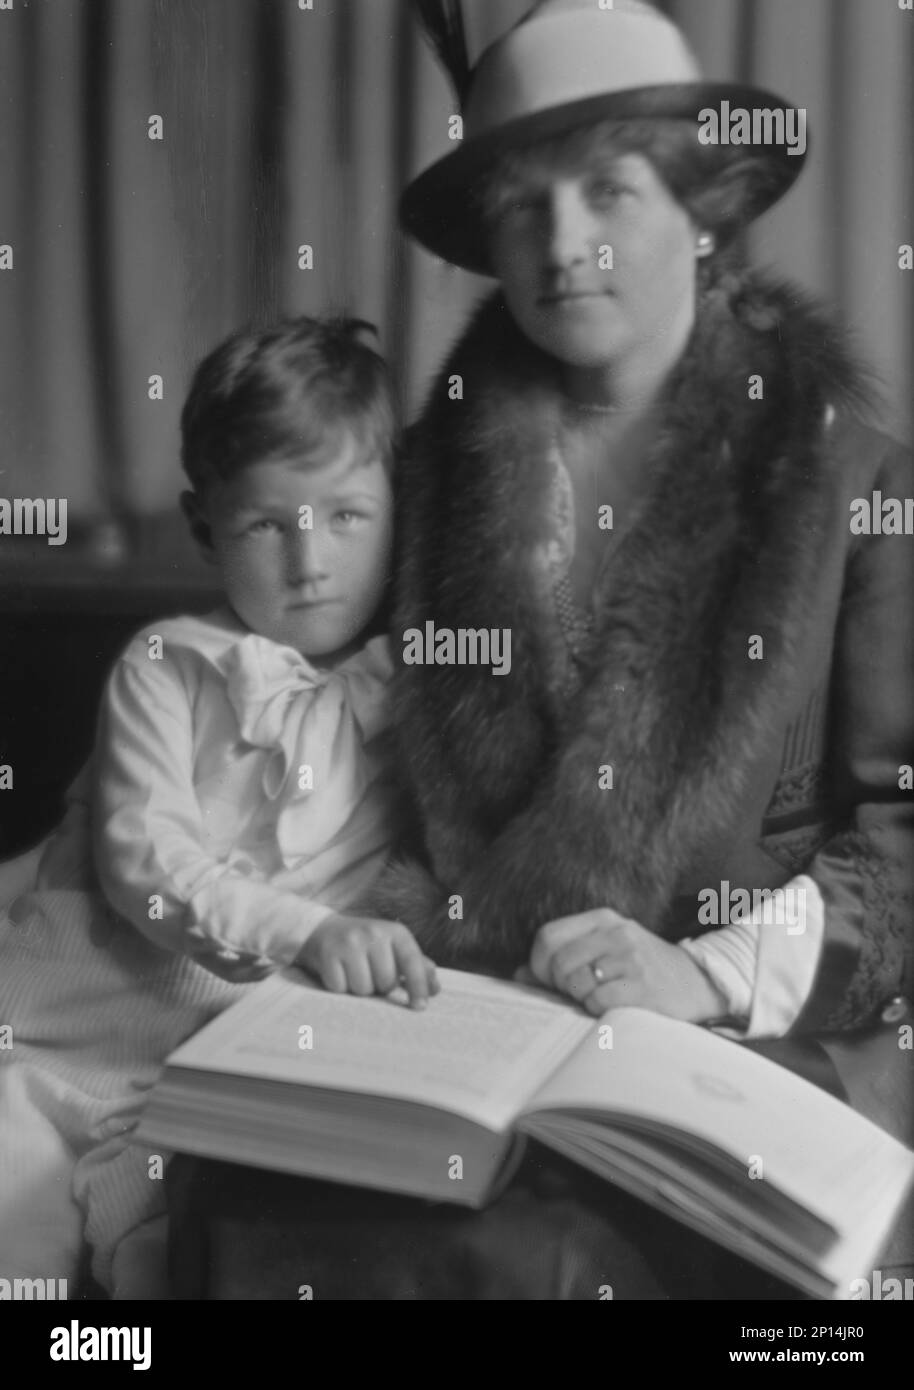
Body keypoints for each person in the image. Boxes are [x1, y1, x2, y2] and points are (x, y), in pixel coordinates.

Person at [206, 0, 911, 1301]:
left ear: (704, 211)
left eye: (608, 191)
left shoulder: (855, 485)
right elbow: (288, 733)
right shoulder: (417, 485)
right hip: (471, 1037)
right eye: (522, 205)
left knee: (547, 1262)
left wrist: (697, 973)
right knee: (247, 1205)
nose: (562, 243)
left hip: (748, 1062)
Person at [0, 315, 436, 1299]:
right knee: (17, 1257)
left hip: (213, 1077)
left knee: (175, 1268)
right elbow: (144, 860)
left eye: (345, 515)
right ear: (204, 526)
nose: (308, 559)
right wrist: (310, 929)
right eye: (265, 524)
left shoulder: (416, 690)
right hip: (58, 1037)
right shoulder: (168, 667)